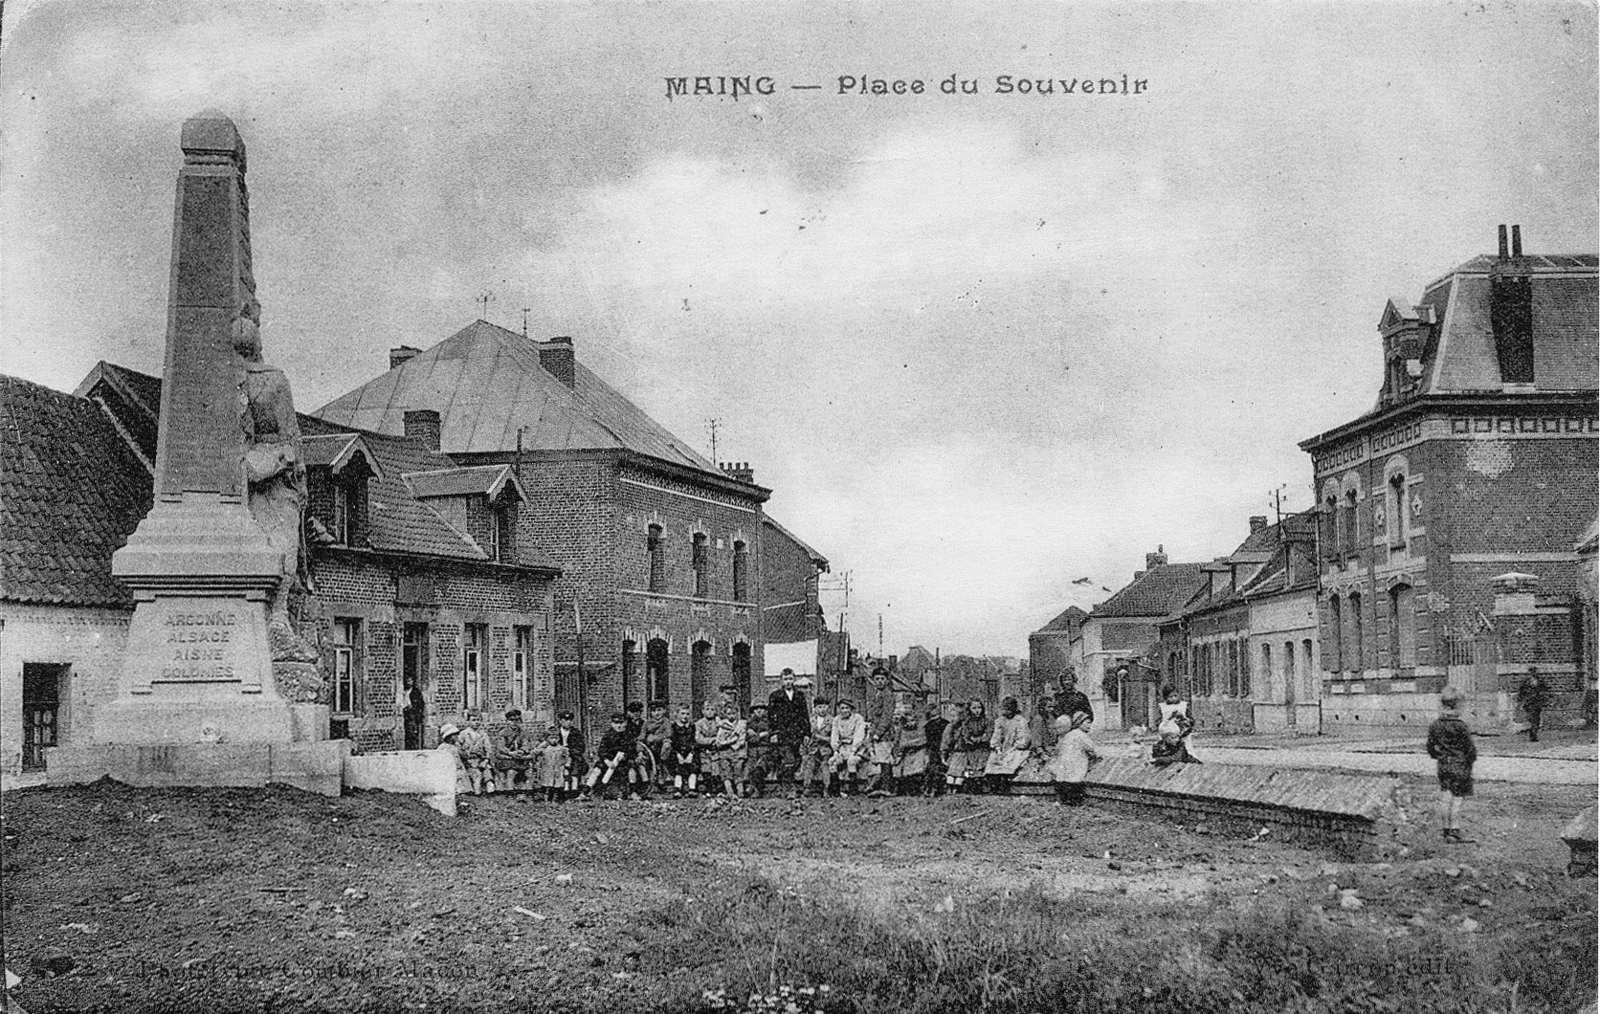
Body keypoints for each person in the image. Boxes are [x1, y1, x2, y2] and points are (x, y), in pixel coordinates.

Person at [1426, 690, 1478, 843]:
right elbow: (1470, 749)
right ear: (1457, 706)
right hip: (1459, 765)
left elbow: (1430, 747)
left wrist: (1439, 757)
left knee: (1445, 796)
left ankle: (1445, 829)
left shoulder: (1435, 725)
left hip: (1443, 765)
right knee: (1457, 798)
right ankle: (1454, 831)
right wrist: (1469, 762)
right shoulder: (1461, 726)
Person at [767, 668, 812, 799]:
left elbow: (805, 715)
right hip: (782, 733)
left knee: (796, 759)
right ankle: (789, 787)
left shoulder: (799, 696)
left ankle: (784, 786)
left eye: (790, 679)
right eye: (785, 679)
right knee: (788, 759)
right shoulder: (775, 696)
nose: (788, 682)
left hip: (797, 733)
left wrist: (806, 734)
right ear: (781, 680)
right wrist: (773, 733)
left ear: (794, 680)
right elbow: (771, 717)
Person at [1048, 710, 1100, 805]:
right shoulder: (1082, 735)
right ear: (1079, 723)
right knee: (1075, 780)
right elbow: (1091, 749)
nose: (1089, 726)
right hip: (1076, 763)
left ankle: (1064, 799)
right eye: (1087, 723)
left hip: (1064, 766)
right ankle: (1074, 800)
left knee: (1066, 780)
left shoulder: (1068, 735)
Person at [584, 713, 640, 801]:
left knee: (631, 768)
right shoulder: (607, 736)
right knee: (597, 769)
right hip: (609, 762)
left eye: (621, 723)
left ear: (625, 723)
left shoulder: (629, 736)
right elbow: (602, 751)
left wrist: (625, 756)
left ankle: (632, 792)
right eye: (616, 723)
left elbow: (632, 750)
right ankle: (585, 791)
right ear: (612, 724)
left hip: (623, 762)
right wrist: (606, 760)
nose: (619, 725)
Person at [983, 696, 1032, 794]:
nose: (1006, 712)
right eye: (1004, 709)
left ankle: (1004, 784)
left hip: (1016, 748)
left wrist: (1013, 748)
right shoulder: (1000, 721)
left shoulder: (1020, 721)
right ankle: (993, 785)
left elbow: (1023, 740)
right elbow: (996, 736)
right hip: (1003, 748)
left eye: (1008, 710)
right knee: (994, 759)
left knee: (1010, 760)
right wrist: (997, 747)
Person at [943, 700, 993, 795]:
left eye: (979, 708)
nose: (977, 710)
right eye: (974, 708)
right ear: (969, 710)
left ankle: (982, 785)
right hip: (970, 748)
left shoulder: (987, 720)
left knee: (982, 763)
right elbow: (965, 734)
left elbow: (989, 733)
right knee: (966, 767)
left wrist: (980, 739)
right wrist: (971, 740)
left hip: (983, 747)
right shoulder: (967, 721)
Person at [830, 699, 869, 795]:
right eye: (842, 708)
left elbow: (859, 736)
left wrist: (853, 751)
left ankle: (853, 790)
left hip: (857, 748)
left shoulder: (857, 718)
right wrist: (835, 750)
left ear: (851, 709)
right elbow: (834, 735)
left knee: (851, 761)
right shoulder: (837, 720)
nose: (844, 711)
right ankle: (836, 791)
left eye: (847, 708)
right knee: (832, 762)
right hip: (842, 748)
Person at [712, 702, 750, 798]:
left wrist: (734, 743)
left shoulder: (741, 724)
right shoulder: (723, 725)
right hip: (725, 752)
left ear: (737, 713)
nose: (732, 716)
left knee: (738, 769)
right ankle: (729, 791)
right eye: (729, 714)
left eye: (733, 713)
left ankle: (740, 791)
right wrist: (729, 741)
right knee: (726, 770)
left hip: (738, 752)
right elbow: (719, 741)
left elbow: (741, 739)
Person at [800, 696, 836, 798]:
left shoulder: (832, 721)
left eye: (824, 707)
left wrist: (821, 738)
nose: (822, 709)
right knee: (809, 764)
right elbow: (807, 736)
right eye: (820, 707)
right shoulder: (811, 720)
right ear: (815, 708)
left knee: (825, 765)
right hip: (813, 749)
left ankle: (826, 788)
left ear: (828, 708)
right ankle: (807, 787)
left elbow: (833, 738)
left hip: (826, 749)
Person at [890, 704, 929, 796]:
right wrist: (898, 751)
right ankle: (905, 791)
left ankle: (918, 790)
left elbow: (922, 739)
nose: (910, 722)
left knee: (918, 770)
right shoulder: (901, 727)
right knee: (904, 771)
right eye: (907, 718)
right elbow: (899, 740)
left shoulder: (920, 726)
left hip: (918, 750)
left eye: (912, 719)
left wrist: (910, 743)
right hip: (906, 752)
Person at [493, 709, 535, 793]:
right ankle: (510, 792)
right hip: (507, 759)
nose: (515, 723)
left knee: (530, 772)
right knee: (510, 772)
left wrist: (522, 751)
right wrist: (511, 753)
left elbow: (526, 744)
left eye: (517, 720)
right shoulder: (502, 733)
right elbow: (501, 747)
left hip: (520, 758)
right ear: (507, 721)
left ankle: (527, 792)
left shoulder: (523, 732)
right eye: (512, 720)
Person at [746, 702, 783, 797]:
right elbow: (749, 739)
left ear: (765, 711)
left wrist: (760, 736)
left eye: (761, 708)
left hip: (766, 752)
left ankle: (758, 790)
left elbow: (771, 738)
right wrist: (761, 735)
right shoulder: (749, 724)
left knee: (760, 767)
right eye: (756, 708)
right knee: (751, 768)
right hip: (752, 752)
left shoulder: (770, 723)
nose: (758, 710)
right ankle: (753, 788)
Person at [668, 704, 701, 798]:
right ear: (677, 714)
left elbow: (695, 741)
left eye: (687, 714)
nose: (685, 716)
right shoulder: (673, 727)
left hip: (690, 752)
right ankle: (677, 789)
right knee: (678, 768)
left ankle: (692, 789)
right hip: (677, 753)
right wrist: (678, 754)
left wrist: (691, 753)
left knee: (693, 767)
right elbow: (673, 742)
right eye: (682, 713)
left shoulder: (692, 727)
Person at [641, 701, 672, 794]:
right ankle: (652, 783)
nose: (657, 713)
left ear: (664, 711)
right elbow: (642, 736)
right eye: (654, 711)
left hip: (662, 748)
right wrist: (644, 741)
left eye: (659, 710)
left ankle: (664, 779)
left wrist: (654, 738)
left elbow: (668, 734)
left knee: (667, 745)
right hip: (650, 748)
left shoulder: (666, 722)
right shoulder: (647, 723)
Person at [457, 718, 494, 795]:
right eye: (474, 720)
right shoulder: (463, 734)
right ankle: (477, 793)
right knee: (477, 773)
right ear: (468, 721)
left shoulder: (483, 734)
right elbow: (458, 749)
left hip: (481, 761)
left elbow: (488, 749)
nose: (476, 722)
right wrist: (466, 757)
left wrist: (486, 760)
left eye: (478, 720)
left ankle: (490, 792)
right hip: (468, 762)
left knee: (487, 772)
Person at [923, 701, 952, 797]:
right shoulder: (928, 725)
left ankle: (935, 789)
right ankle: (932, 789)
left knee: (936, 768)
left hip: (941, 749)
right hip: (935, 749)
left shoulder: (945, 723)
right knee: (933, 769)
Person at [556, 711, 587, 799]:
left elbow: (581, 747)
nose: (568, 722)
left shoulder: (576, 732)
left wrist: (570, 751)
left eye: (570, 720)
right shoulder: (555, 732)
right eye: (565, 720)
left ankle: (574, 789)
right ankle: (559, 789)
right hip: (558, 755)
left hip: (573, 755)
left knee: (576, 764)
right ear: (560, 721)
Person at [694, 700, 723, 795]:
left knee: (716, 770)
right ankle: (707, 789)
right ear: (703, 711)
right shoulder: (699, 723)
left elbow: (722, 736)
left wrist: (717, 740)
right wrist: (711, 740)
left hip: (716, 750)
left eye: (712, 709)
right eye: (707, 709)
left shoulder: (719, 723)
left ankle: (717, 790)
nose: (710, 711)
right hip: (704, 751)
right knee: (706, 769)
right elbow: (698, 738)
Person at [536, 726, 570, 803]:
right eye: (551, 738)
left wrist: (567, 764)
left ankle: (555, 799)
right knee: (547, 785)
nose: (554, 740)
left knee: (557, 786)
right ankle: (546, 799)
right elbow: (535, 753)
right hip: (548, 769)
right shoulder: (544, 748)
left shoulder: (562, 749)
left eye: (556, 738)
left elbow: (567, 757)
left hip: (558, 769)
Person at [1517, 669, 1551, 743]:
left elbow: (1545, 691)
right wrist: (1521, 702)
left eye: (1534, 673)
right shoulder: (1525, 683)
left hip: (1537, 703)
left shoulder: (1540, 682)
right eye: (1531, 673)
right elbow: (1521, 692)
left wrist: (1545, 701)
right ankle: (1532, 734)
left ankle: (1534, 734)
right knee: (1532, 718)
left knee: (1536, 719)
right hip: (1529, 703)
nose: (1532, 674)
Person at [437, 723, 471, 794]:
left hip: (458, 769)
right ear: (448, 737)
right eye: (454, 735)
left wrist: (464, 750)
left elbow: (464, 755)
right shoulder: (443, 747)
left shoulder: (456, 746)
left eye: (457, 735)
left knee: (461, 785)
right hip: (449, 769)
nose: (456, 737)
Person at [403, 683, 426, 751]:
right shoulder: (404, 691)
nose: (408, 682)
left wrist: (414, 708)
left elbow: (420, 703)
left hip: (413, 713)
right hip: (406, 712)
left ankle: (415, 745)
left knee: (414, 729)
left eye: (410, 680)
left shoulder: (416, 691)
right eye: (407, 680)